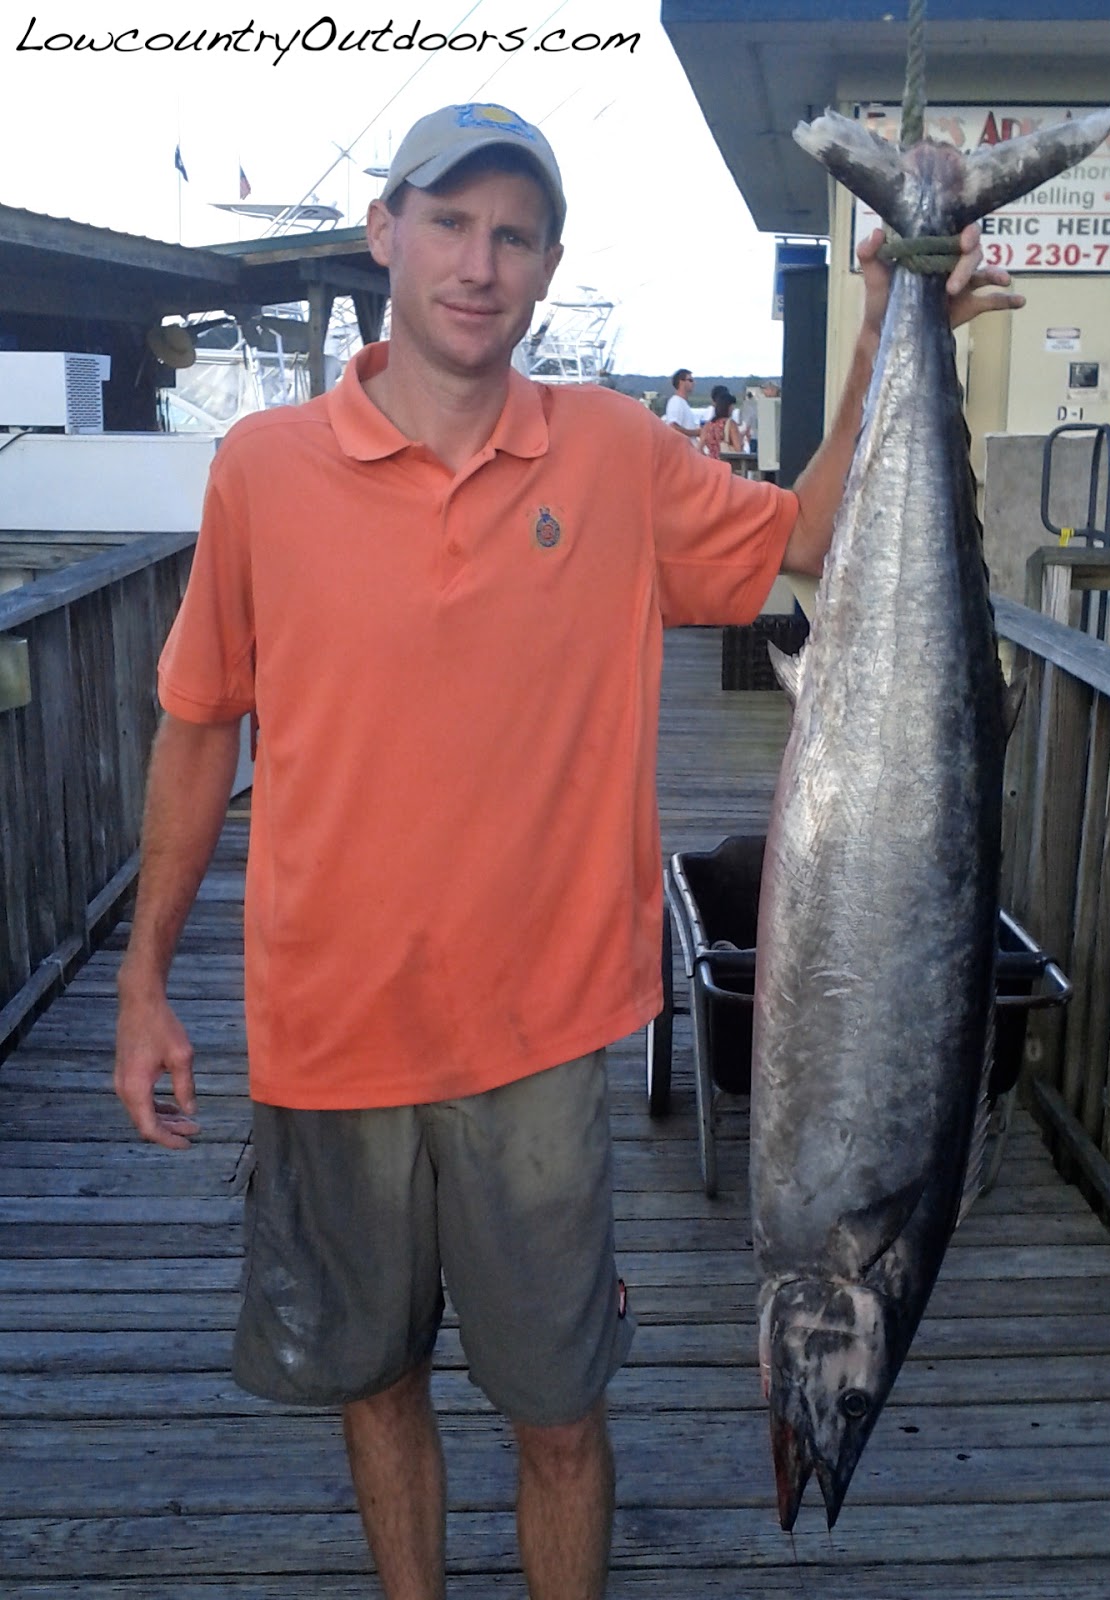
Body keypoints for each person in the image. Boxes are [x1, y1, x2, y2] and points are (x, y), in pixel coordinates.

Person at [112, 98, 1021, 1600]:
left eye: (514, 235)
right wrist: (146, 979)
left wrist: (884, 316)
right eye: (452, 224)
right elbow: (200, 722)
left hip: (540, 1040)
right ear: (383, 232)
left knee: (559, 1418)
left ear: (545, 267)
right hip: (321, 1033)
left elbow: (805, 536)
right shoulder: (261, 469)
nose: (479, 263)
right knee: (373, 1384)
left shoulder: (611, 455)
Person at [700, 389, 743, 459]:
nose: (733, 409)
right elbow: (738, 450)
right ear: (728, 407)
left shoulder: (708, 425)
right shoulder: (731, 424)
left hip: (712, 465)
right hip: (726, 465)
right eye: (732, 406)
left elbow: (699, 449)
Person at [662, 367, 701, 443]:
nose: (693, 383)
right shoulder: (676, 402)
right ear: (681, 382)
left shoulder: (682, 403)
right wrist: (696, 432)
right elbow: (673, 428)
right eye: (690, 380)